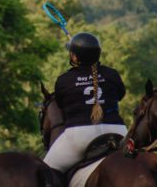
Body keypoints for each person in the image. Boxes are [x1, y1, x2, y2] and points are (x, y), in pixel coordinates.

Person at [43, 32, 127, 174]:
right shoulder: (112, 74)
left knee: (46, 170)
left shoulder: (64, 80)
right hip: (118, 131)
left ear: (74, 56)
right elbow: (120, 96)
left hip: (80, 135)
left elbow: (61, 106)